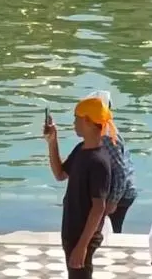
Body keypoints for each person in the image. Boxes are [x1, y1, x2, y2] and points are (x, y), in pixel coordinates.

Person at [43, 97, 112, 279]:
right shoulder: (81, 149)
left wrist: (82, 246)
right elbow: (60, 174)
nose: (74, 123)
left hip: (83, 235)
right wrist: (52, 141)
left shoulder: (99, 162)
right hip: (72, 229)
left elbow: (99, 208)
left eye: (76, 118)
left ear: (88, 121)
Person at [85, 90, 136, 233]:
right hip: (118, 191)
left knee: (110, 231)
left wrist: (113, 201)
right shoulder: (106, 130)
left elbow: (120, 173)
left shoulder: (106, 136)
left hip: (120, 195)